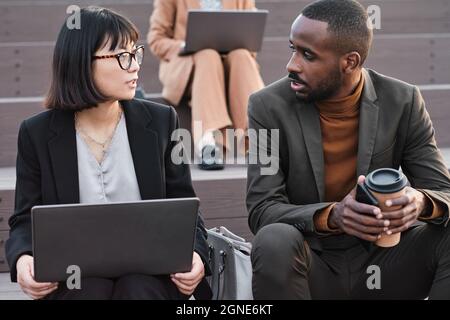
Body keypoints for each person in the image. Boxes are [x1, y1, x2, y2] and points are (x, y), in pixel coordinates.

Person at [246, 0, 450, 299]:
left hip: (387, 263)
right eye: (293, 49)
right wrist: (333, 216)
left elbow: (444, 191)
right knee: (274, 239)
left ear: (350, 62)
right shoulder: (267, 106)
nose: (292, 65)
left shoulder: (402, 101)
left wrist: (419, 202)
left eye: (307, 55)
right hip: (313, 264)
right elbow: (262, 209)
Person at [5, 6, 211, 300]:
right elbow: (24, 218)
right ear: (81, 63)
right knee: (90, 288)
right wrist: (24, 259)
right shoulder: (36, 134)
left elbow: (187, 208)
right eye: (121, 56)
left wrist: (196, 255)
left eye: (135, 54)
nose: (135, 65)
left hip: (150, 272)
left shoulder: (163, 121)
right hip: (74, 274)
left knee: (137, 287)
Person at [147, 0, 265, 170]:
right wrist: (185, 45)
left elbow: (252, 35)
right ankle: (207, 142)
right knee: (208, 55)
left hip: (232, 70)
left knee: (242, 56)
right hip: (190, 66)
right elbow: (156, 40)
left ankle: (255, 139)